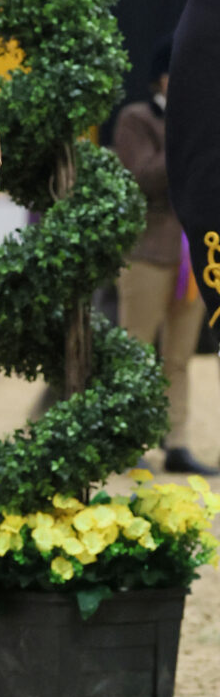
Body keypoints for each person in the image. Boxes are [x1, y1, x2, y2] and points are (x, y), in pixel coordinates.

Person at [113, 37, 216, 475]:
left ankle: (177, 443)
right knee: (135, 350)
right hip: (148, 253)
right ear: (162, 78)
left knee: (179, 357)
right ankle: (125, 439)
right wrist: (187, 136)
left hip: (196, 257)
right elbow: (141, 177)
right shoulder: (137, 119)